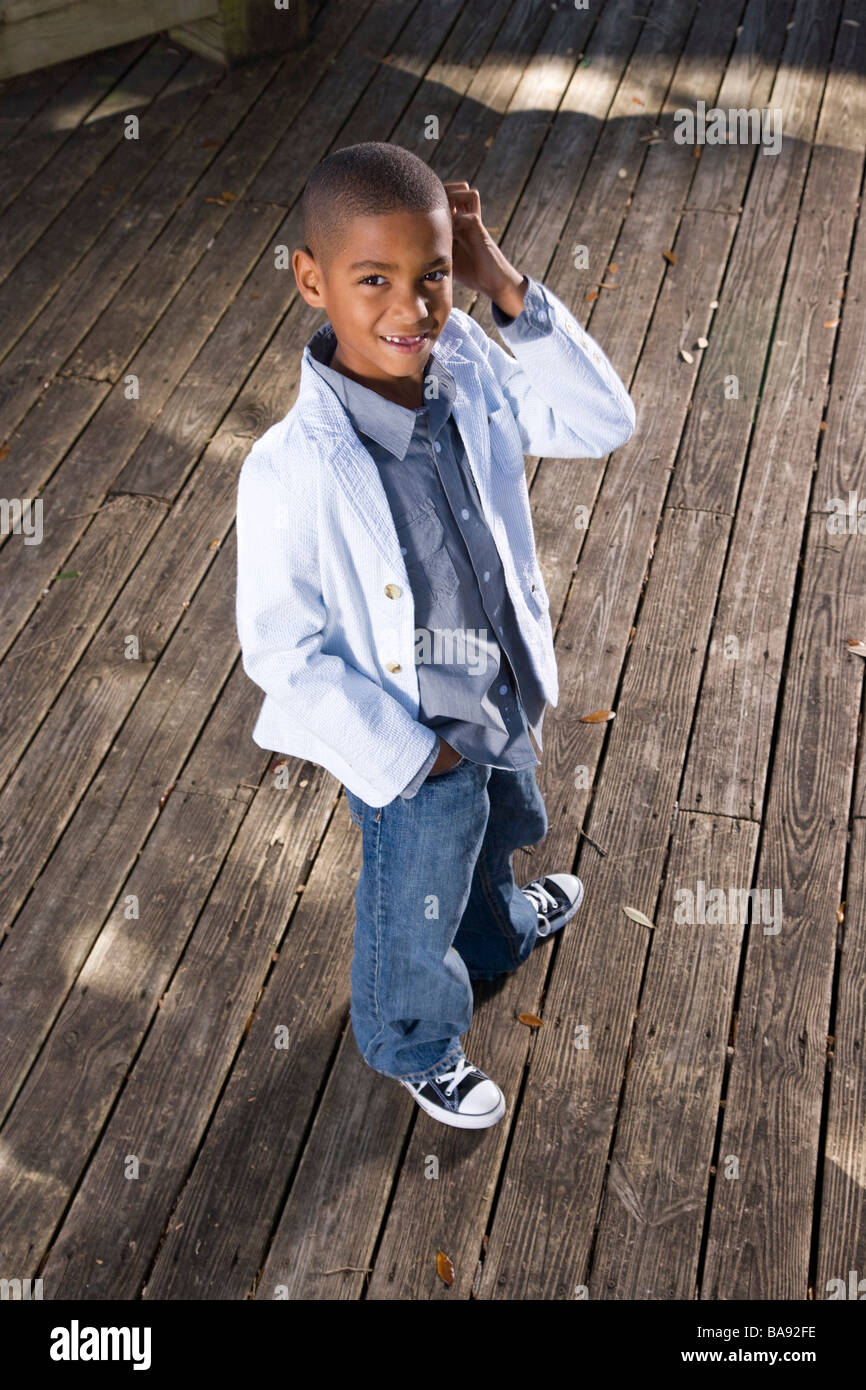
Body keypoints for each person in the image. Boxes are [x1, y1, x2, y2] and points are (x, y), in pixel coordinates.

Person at [235, 142, 635, 1129]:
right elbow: (281, 651)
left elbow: (601, 418)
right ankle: (413, 1035)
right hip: (417, 746)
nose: (411, 310)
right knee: (415, 902)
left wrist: (494, 273)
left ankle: (497, 935)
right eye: (373, 281)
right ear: (310, 279)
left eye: (431, 277)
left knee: (498, 837)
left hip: (495, 692)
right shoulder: (289, 468)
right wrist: (416, 756)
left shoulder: (464, 371)